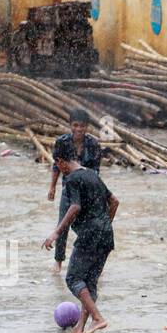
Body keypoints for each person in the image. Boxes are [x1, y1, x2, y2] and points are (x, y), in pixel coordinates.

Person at [43, 147, 118, 333]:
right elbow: (115, 201)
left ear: (60, 161)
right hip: (106, 235)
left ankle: (97, 317)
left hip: (89, 236)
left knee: (73, 279)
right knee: (89, 283)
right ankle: (79, 328)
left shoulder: (72, 179)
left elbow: (75, 207)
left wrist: (55, 233)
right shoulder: (92, 174)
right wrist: (104, 225)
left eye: (57, 166)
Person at [47, 109, 103, 274]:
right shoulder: (62, 142)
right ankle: (58, 262)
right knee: (62, 225)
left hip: (87, 192)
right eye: (75, 125)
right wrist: (52, 187)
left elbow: (96, 172)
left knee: (89, 228)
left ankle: (91, 260)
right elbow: (57, 165)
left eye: (82, 126)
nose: (78, 129)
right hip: (68, 190)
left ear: (87, 127)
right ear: (70, 125)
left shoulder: (93, 144)